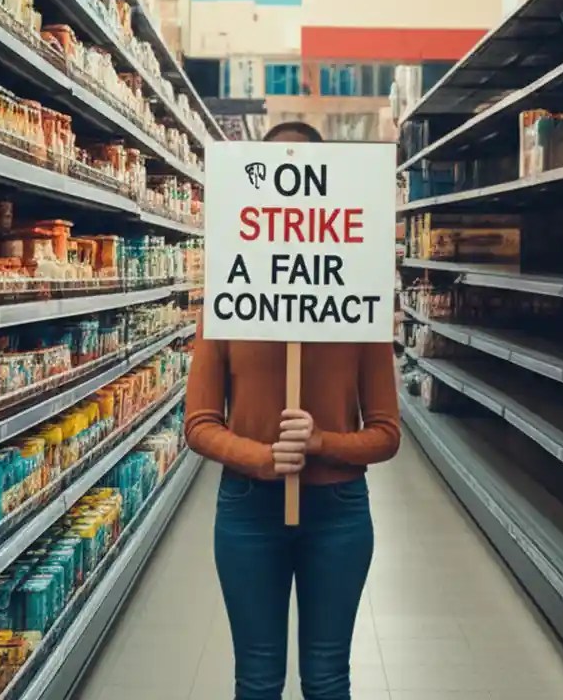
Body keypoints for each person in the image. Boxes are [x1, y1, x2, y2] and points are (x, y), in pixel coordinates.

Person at [184, 121, 400, 700]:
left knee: (328, 680)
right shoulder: (227, 302)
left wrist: (323, 442)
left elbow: (386, 434)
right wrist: (260, 457)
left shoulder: (361, 304)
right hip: (248, 511)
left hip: (339, 511)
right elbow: (198, 424)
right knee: (256, 681)